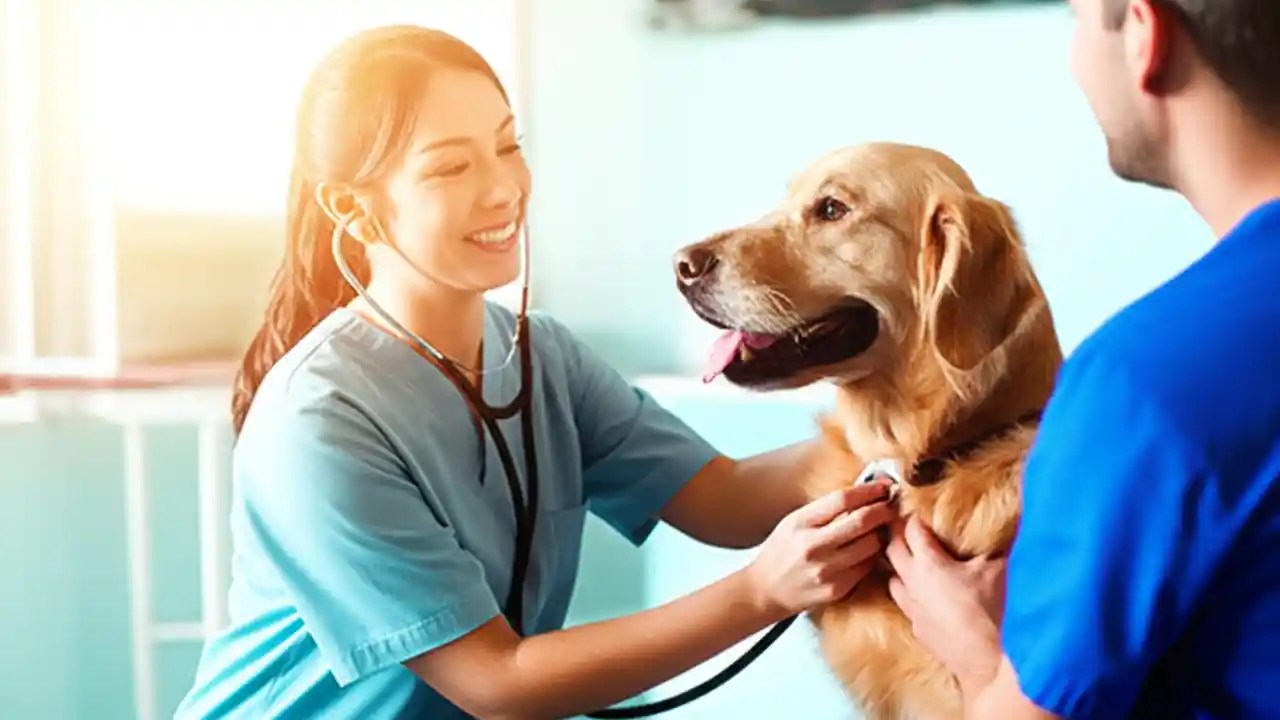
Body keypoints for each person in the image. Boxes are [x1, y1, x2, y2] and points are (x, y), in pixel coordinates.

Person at [175, 25, 897, 720]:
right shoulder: (317, 419)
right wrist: (761, 594)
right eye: (451, 166)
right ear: (353, 212)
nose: (503, 189)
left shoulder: (542, 357)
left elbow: (726, 498)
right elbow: (495, 682)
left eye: (506, 146)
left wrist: (908, 430)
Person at [884, 0, 1280, 717]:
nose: (1072, 54)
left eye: (1073, 17)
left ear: (1144, 32)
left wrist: (980, 657)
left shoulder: (1143, 383)